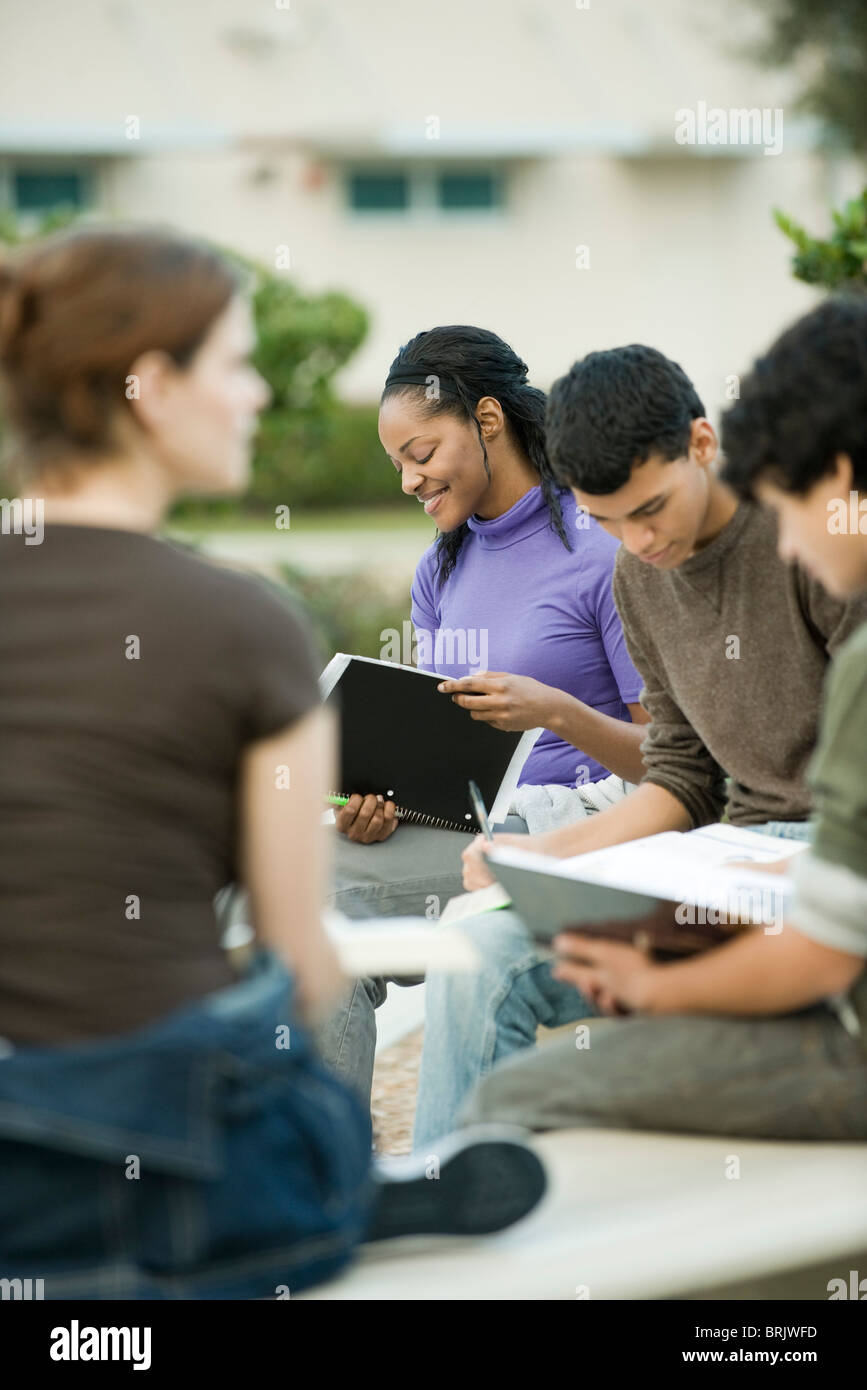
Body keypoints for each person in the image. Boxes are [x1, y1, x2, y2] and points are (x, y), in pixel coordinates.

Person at [0, 226, 545, 1300]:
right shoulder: (244, 626)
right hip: (184, 1141)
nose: (257, 396)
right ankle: (358, 1197)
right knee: (295, 1104)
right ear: (152, 387)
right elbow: (300, 953)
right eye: (238, 365)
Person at [414, 342, 867, 1147]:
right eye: (603, 519)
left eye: (649, 508)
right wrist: (545, 857)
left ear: (700, 444)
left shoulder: (810, 542)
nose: (637, 540)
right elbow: (681, 775)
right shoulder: (634, 575)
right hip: (725, 855)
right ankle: (444, 1195)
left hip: (816, 864)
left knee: (557, 1077)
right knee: (477, 949)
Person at [317, 325, 647, 1102]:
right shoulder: (441, 567)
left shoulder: (602, 553)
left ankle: (329, 1186)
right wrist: (376, 804)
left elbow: (674, 763)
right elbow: (439, 747)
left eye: (421, 454)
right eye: (396, 463)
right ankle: (330, 1176)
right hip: (467, 825)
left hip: (584, 828)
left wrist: (556, 712)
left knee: (315, 899)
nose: (407, 481)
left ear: (487, 421)